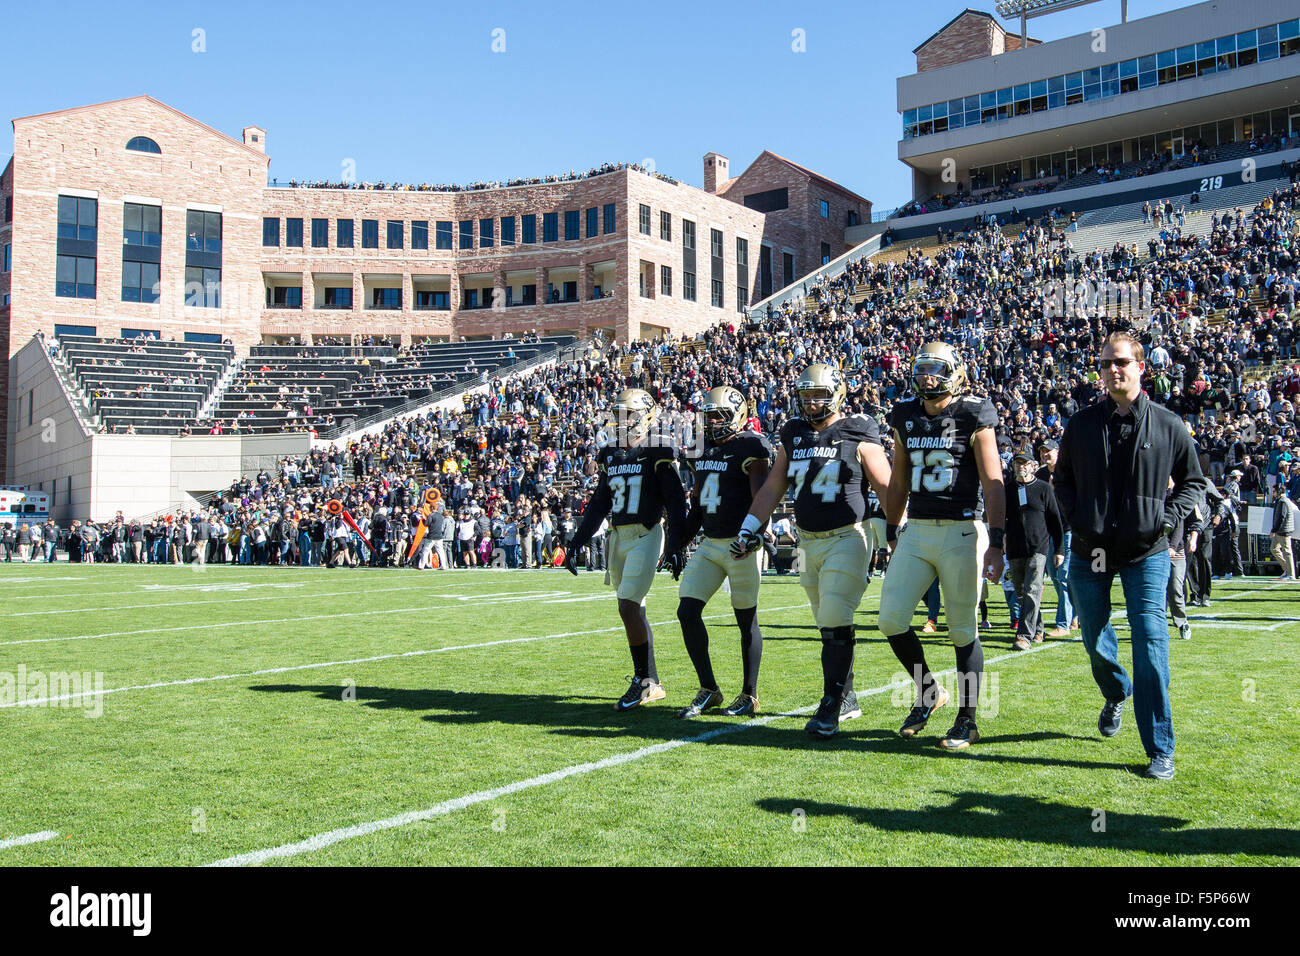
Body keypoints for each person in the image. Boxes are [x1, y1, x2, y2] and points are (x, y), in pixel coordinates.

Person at [1054, 331, 1209, 781]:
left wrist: (1164, 521)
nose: (1112, 369)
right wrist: (1077, 518)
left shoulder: (1168, 424)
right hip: (1091, 549)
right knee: (1094, 639)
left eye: (1120, 361)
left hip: (1146, 551)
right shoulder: (1080, 424)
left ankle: (1160, 748)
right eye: (1105, 363)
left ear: (1141, 366)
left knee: (1151, 644)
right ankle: (1116, 691)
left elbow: (1194, 482)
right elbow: (1061, 481)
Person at [733, 363, 892, 738]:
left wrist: (901, 528)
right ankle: (847, 696)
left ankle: (831, 703)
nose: (811, 401)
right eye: (805, 395)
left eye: (818, 394)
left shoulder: (859, 428)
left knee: (836, 615)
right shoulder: (794, 431)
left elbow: (883, 481)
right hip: (808, 540)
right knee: (826, 623)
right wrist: (749, 528)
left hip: (847, 536)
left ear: (836, 393)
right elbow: (773, 487)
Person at [877, 342, 1006, 751]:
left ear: (954, 372)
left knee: (962, 628)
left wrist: (997, 540)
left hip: (962, 529)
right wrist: (891, 529)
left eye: (936, 370)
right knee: (891, 619)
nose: (928, 377)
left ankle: (967, 720)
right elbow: (898, 480)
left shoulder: (973, 412)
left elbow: (992, 478)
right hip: (916, 528)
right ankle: (929, 692)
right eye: (922, 369)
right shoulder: (904, 414)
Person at [564, 388, 687, 711]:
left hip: (647, 533)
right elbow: (599, 503)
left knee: (628, 605)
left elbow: (675, 500)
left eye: (628, 415)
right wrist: (577, 541)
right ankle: (652, 682)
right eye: (618, 414)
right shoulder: (611, 454)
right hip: (618, 537)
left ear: (645, 416)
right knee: (634, 608)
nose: (621, 421)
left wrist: (676, 543)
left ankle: (643, 680)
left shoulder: (658, 449)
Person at [675, 386, 773, 719]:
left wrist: (754, 536)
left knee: (746, 621)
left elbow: (762, 498)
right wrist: (676, 544)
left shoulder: (751, 446)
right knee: (687, 611)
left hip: (739, 546)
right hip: (710, 542)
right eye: (709, 416)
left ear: (739, 415)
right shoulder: (701, 451)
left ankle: (749, 693)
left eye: (720, 416)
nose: (714, 422)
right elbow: (698, 507)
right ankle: (709, 689)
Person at [1004, 448, 1064, 651]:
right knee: (1022, 593)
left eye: (1024, 463)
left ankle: (1024, 635)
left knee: (1032, 590)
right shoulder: (1008, 489)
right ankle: (1037, 629)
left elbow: (1055, 521)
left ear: (1032, 466)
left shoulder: (1043, 488)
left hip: (1039, 547)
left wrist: (1060, 550)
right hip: (1014, 548)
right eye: (1017, 463)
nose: (1021, 467)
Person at [1271, 483, 1295, 579]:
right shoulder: (1280, 501)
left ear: (1279, 492)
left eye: (1274, 491)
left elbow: (1281, 517)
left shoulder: (1283, 501)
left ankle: (1291, 574)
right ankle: (1286, 569)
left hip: (1283, 530)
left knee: (1287, 551)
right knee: (1273, 549)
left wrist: (1274, 530)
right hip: (1280, 530)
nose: (1273, 493)